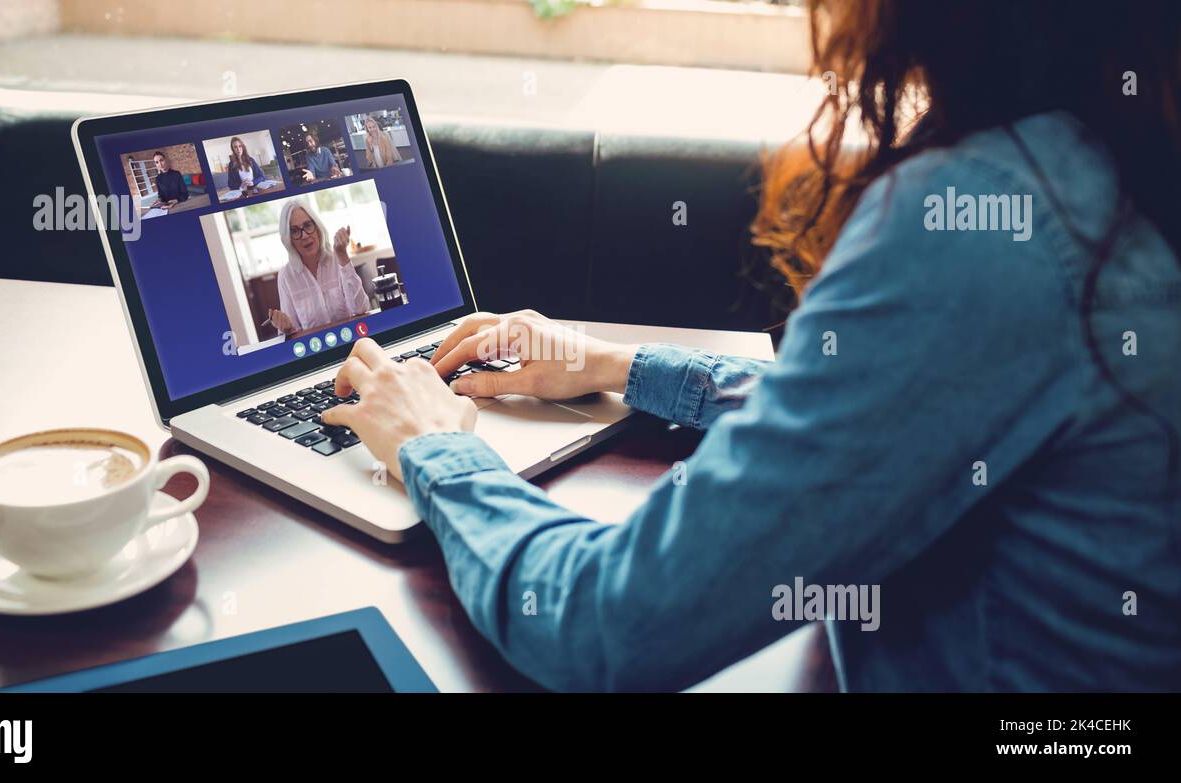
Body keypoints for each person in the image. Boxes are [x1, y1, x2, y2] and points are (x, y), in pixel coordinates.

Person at [320, 0, 1181, 692]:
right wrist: (619, 366)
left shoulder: (986, 219)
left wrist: (435, 448)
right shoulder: (1120, 161)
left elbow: (603, 626)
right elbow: (897, 412)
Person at [267, 198, 371, 335]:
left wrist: (343, 256)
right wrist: (286, 328)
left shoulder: (337, 259)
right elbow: (292, 333)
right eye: (295, 231)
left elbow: (360, 309)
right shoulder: (286, 276)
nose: (304, 236)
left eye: (308, 225)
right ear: (289, 239)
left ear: (317, 227)